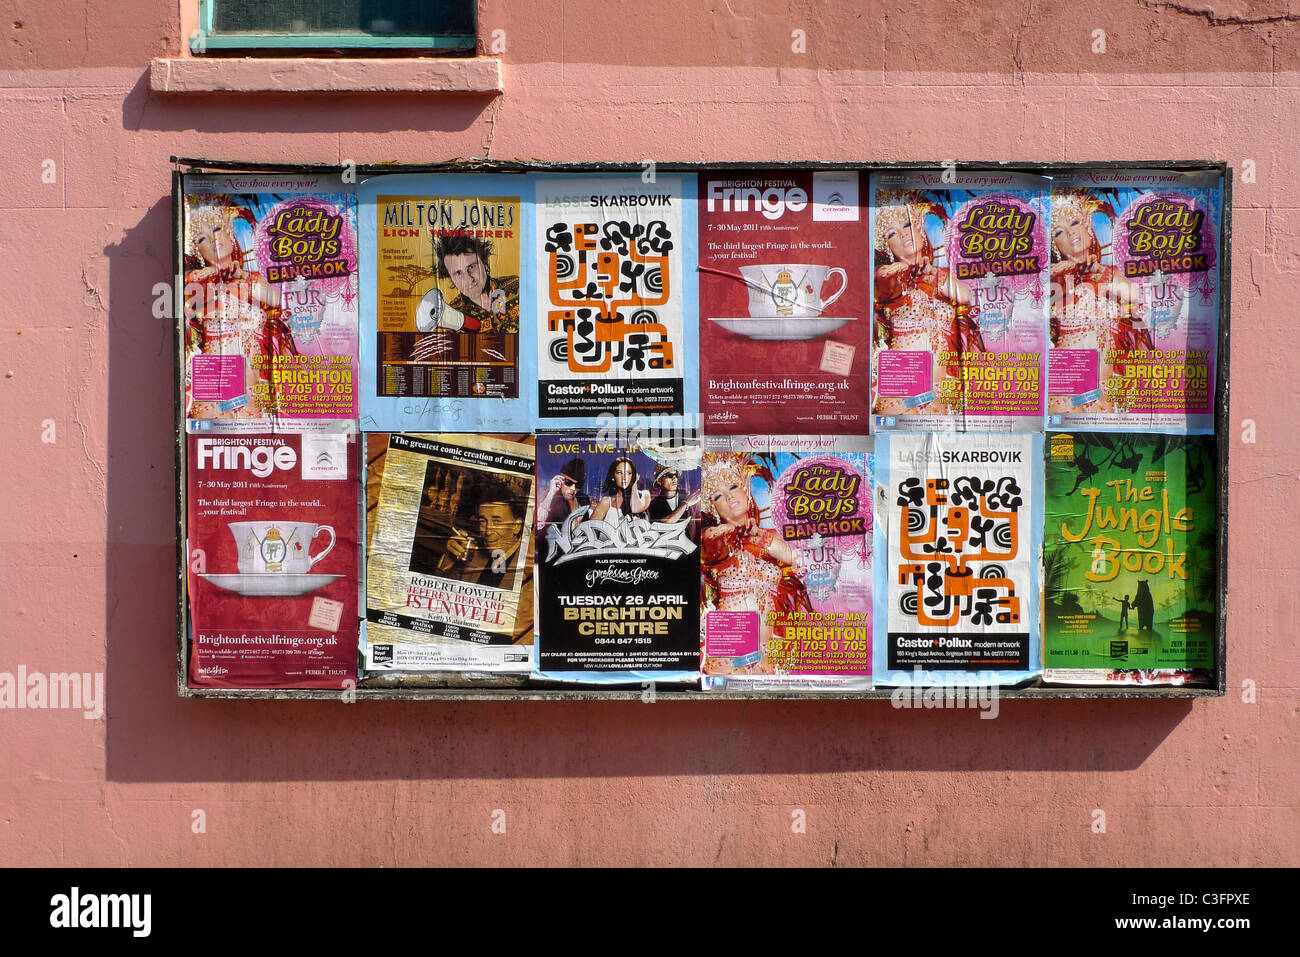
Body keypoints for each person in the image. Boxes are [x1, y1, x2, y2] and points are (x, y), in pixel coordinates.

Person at [700, 452, 812, 675]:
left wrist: (759, 534)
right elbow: (714, 543)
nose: (729, 496)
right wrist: (732, 530)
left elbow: (796, 559)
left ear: (745, 490)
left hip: (764, 652)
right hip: (730, 651)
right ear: (712, 507)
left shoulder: (766, 535)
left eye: (732, 487)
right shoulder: (712, 535)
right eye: (717, 496)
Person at [872, 193, 984, 417]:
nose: (903, 233)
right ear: (886, 247)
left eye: (906, 224)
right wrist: (900, 270)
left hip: (939, 392)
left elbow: (966, 297)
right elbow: (885, 282)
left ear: (920, 228)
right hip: (901, 391)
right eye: (892, 233)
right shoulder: (888, 277)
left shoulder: (938, 275)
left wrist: (933, 274)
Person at [184, 199, 296, 418]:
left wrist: (242, 277)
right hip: (213, 396)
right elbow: (185, 292)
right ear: (197, 251)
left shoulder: (252, 280)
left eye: (216, 229)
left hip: (252, 395)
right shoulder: (200, 284)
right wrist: (211, 274)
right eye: (202, 238)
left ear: (228, 233)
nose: (214, 240)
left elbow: (278, 301)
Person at [1049, 188, 1151, 415]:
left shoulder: (1110, 274)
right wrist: (1068, 269)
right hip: (1066, 395)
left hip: (1103, 396)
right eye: (1058, 231)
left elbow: (1135, 298)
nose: (1069, 232)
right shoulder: (1055, 281)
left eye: (1074, 222)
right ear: (1055, 245)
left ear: (1086, 226)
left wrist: (1098, 271)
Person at [417, 234, 520, 335]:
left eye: (471, 267)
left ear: (485, 264)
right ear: (452, 280)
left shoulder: (517, 286)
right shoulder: (452, 316)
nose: (468, 279)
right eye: (458, 273)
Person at [437, 480, 528, 590]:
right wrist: (450, 557)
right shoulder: (473, 552)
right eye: (482, 521)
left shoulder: (530, 566)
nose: (487, 531)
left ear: (516, 526)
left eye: (497, 521)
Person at [536, 457, 590, 562]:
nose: (573, 489)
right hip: (554, 556)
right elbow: (539, 523)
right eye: (569, 483)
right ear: (561, 478)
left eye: (578, 485)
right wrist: (552, 492)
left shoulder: (583, 500)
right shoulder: (550, 496)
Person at [589, 457, 651, 522]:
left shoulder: (645, 495)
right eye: (619, 473)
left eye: (629, 473)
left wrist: (634, 483)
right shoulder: (606, 502)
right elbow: (589, 529)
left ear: (633, 475)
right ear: (613, 476)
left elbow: (634, 509)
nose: (624, 477)